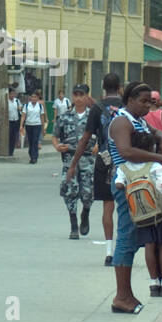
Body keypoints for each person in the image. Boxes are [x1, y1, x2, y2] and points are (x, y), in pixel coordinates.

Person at [106, 81, 162, 314]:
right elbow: (126, 151)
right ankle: (121, 296)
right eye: (142, 101)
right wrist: (156, 157)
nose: (146, 106)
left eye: (149, 102)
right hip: (127, 185)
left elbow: (157, 132)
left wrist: (161, 137)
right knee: (126, 237)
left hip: (140, 184)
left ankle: (127, 294)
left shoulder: (139, 121)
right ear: (129, 100)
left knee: (133, 237)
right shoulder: (122, 121)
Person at [66, 74, 122, 263]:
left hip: (105, 161)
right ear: (120, 87)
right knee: (126, 206)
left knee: (108, 207)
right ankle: (124, 247)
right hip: (126, 160)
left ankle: (108, 251)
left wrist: (73, 164)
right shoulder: (127, 106)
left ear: (103, 87)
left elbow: (85, 138)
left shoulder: (97, 108)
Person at [116, 129, 162, 297]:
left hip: (140, 213)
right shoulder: (156, 165)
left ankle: (153, 283)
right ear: (151, 149)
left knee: (149, 246)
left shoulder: (124, 168)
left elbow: (119, 185)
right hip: (161, 209)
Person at [53, 84, 95, 239]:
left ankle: (86, 212)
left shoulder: (93, 116)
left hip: (88, 158)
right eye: (75, 94)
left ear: (86, 97)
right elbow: (55, 135)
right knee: (70, 191)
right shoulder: (64, 116)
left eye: (81, 94)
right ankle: (73, 225)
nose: (78, 98)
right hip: (69, 158)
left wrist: (97, 145)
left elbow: (102, 135)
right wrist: (57, 146)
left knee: (88, 192)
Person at [20, 90, 46, 164]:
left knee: (35, 140)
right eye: (32, 97)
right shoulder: (27, 105)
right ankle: (31, 155)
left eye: (35, 97)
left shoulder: (40, 106)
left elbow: (42, 117)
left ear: (38, 98)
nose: (33, 98)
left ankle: (34, 157)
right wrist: (21, 125)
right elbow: (23, 116)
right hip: (29, 125)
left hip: (37, 125)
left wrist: (43, 128)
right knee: (30, 141)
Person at [6, 87, 22, 157]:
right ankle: (7, 150)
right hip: (9, 121)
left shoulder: (17, 101)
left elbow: (21, 108)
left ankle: (11, 151)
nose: (13, 95)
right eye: (11, 94)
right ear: (8, 94)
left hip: (16, 120)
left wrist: (20, 108)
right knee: (8, 136)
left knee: (14, 136)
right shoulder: (6, 101)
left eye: (14, 94)